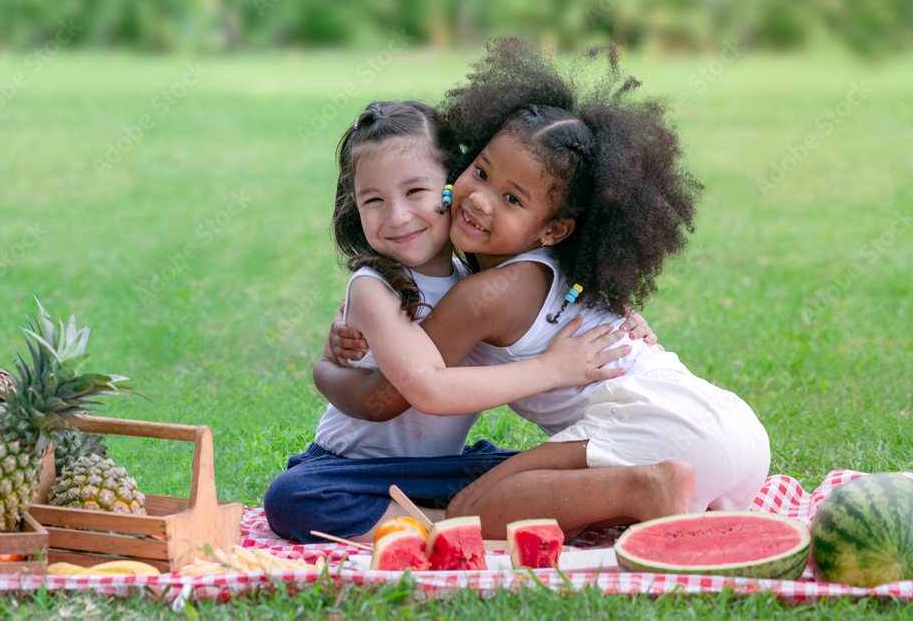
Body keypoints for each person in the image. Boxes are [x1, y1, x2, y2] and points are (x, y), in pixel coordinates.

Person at [321, 39, 770, 540]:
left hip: (662, 431)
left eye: (511, 198)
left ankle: (646, 489)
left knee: (473, 511)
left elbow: (393, 394)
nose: (481, 201)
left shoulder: (485, 293)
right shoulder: (569, 269)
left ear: (554, 228)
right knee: (535, 490)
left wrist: (325, 371)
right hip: (737, 433)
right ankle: (657, 502)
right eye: (482, 173)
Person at [264, 99, 656, 543]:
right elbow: (413, 393)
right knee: (292, 496)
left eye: (416, 192)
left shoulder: (480, 285)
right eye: (373, 200)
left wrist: (625, 316)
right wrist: (551, 370)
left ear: (453, 185)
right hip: (351, 471)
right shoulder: (373, 287)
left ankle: (608, 498)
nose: (397, 216)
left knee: (532, 469)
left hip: (437, 470)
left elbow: (557, 292)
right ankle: (450, 526)